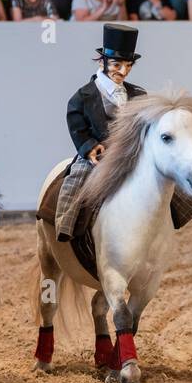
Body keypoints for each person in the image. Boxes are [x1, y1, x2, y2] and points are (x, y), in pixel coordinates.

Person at [55, 25, 148, 243]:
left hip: (131, 154)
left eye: (128, 66)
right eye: (117, 65)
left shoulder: (139, 94)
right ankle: (64, 222)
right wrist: (88, 146)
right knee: (75, 179)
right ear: (102, 62)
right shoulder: (83, 96)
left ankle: (175, 213)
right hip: (98, 155)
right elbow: (76, 124)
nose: (123, 72)